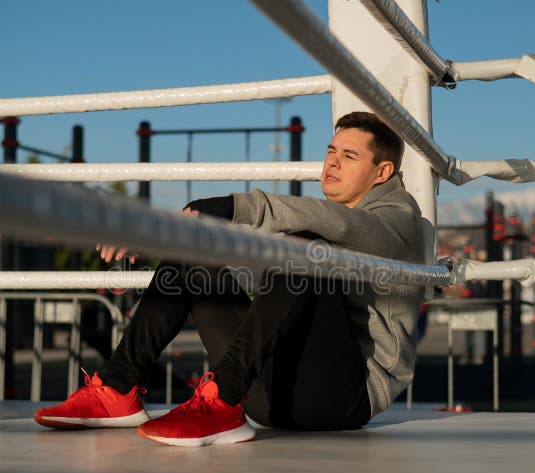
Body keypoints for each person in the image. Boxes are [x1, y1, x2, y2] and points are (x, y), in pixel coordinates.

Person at [34, 111, 425, 446]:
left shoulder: (399, 222)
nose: (333, 163)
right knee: (200, 249)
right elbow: (256, 254)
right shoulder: (329, 223)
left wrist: (227, 207)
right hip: (268, 397)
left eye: (349, 155)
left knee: (307, 248)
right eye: (330, 151)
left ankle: (222, 401)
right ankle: (119, 389)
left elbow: (335, 224)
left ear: (382, 172)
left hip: (343, 400)